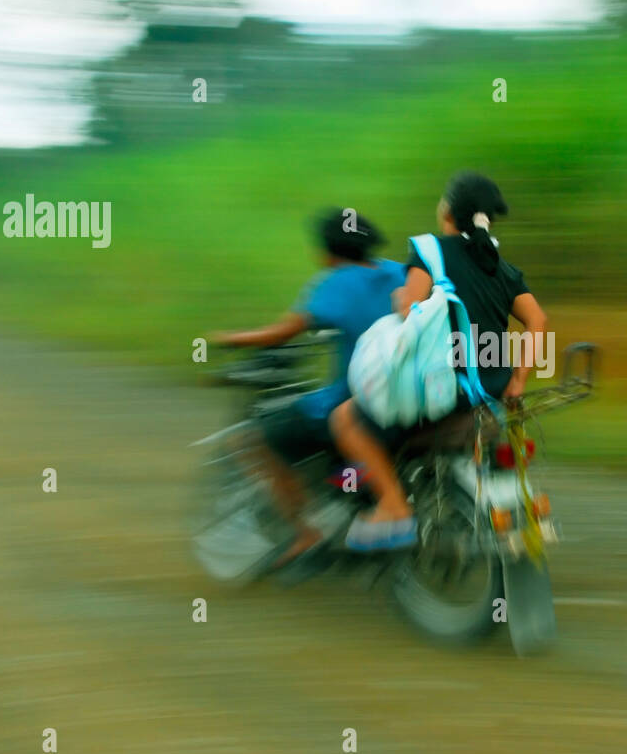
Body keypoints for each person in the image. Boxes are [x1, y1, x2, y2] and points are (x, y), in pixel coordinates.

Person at [329, 172, 548, 551]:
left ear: (446, 210)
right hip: (491, 398)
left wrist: (401, 295)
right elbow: (538, 321)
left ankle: (394, 507)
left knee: (345, 418)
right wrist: (518, 380)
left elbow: (409, 312)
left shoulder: (430, 252)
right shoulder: (502, 267)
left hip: (443, 399)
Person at [213, 208, 405, 566]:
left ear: (327, 252)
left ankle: (307, 532)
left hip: (352, 402)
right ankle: (348, 486)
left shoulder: (334, 282)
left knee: (253, 440)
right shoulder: (399, 271)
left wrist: (232, 339)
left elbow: (283, 332)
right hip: (408, 397)